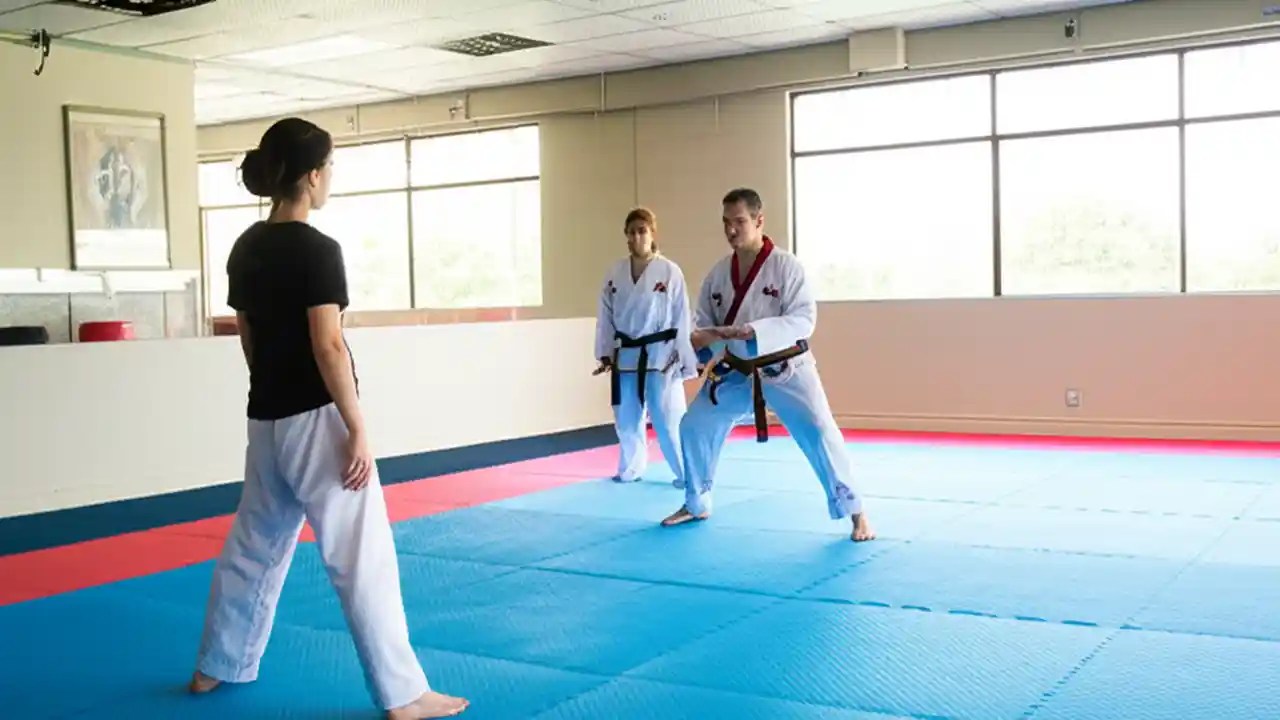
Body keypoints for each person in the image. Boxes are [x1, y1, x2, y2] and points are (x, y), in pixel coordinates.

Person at [187, 117, 468, 720]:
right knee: (361, 554)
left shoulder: (244, 246)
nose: (330, 177)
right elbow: (328, 345)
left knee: (253, 548)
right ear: (312, 176)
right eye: (330, 167)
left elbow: (249, 335)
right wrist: (358, 426)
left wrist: (269, 388)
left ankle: (217, 664)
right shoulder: (318, 250)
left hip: (264, 420)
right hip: (318, 421)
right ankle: (404, 695)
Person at [660, 188, 876, 543]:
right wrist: (696, 356)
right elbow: (704, 326)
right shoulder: (717, 275)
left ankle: (856, 511)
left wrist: (751, 331)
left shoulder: (787, 267)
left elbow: (804, 320)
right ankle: (696, 501)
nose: (732, 230)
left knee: (820, 430)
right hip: (737, 371)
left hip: (787, 368)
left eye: (740, 222)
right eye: (726, 223)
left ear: (759, 221)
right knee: (694, 425)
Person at [593, 207, 698, 487]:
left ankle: (687, 474)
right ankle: (631, 467)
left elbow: (682, 316)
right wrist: (605, 353)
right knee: (626, 418)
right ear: (626, 236)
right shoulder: (614, 272)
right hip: (626, 355)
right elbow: (605, 315)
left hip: (661, 354)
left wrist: (684, 356)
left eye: (643, 231)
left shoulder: (669, 271)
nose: (637, 236)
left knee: (668, 420)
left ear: (652, 234)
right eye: (632, 232)